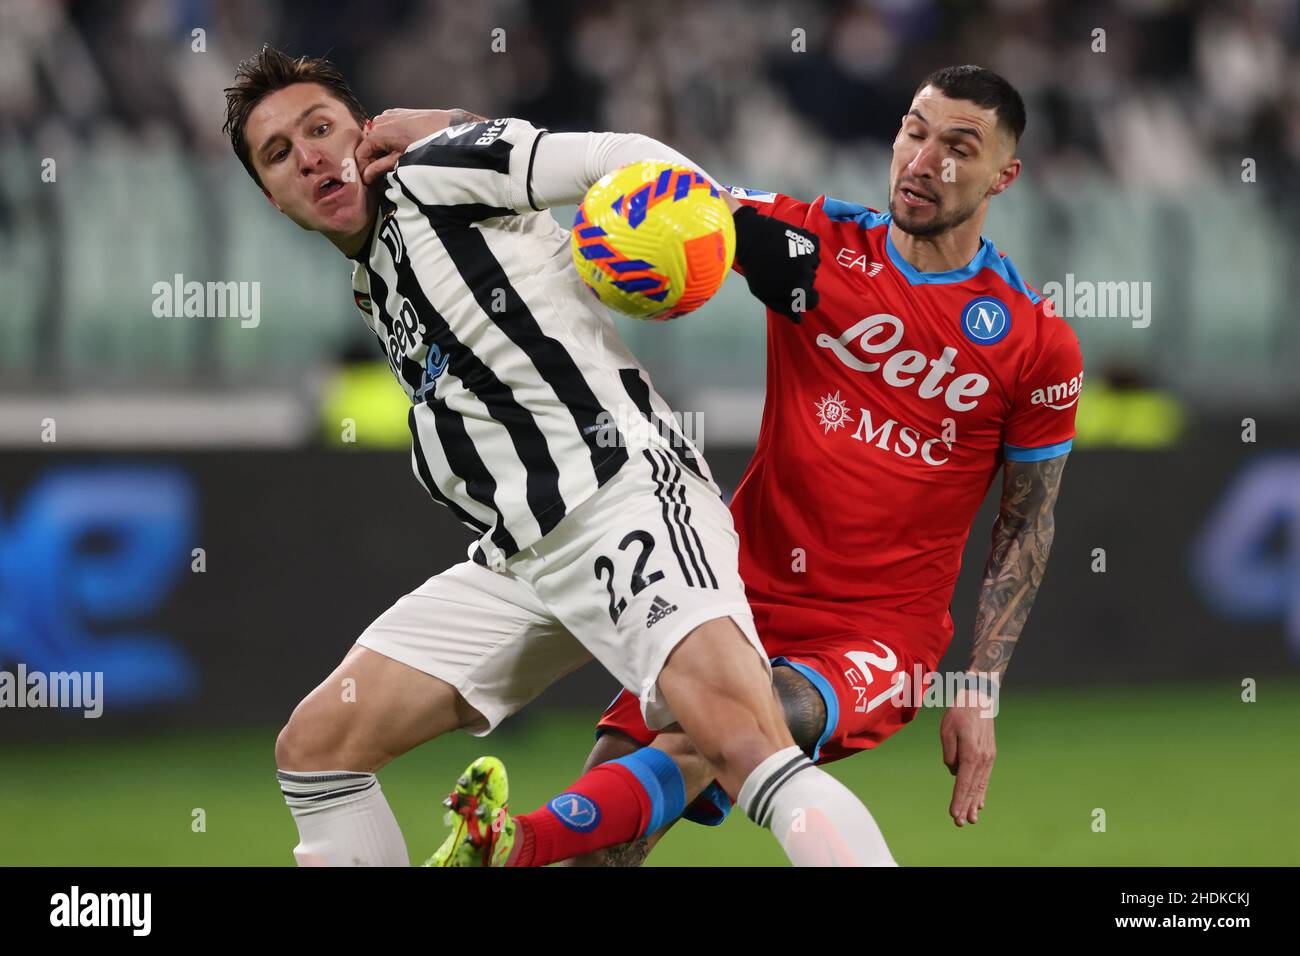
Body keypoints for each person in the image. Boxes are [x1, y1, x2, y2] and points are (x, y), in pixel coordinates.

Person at [223, 44, 896, 867]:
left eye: (319, 128)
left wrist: (669, 230)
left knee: (742, 744)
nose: (309, 156)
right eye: (280, 154)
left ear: (363, 132)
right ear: (270, 194)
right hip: (519, 560)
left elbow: (626, 158)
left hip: (623, 505)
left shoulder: (431, 173)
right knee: (318, 749)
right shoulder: (373, 272)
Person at [429, 64, 1081, 868]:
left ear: (1003, 175)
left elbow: (1027, 522)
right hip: (728, 591)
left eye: (958, 147)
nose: (923, 160)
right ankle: (533, 846)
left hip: (876, 635)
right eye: (914, 130)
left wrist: (979, 687)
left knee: (741, 721)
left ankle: (513, 839)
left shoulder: (1034, 340)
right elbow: (654, 184)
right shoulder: (816, 250)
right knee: (598, 852)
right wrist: (454, 127)